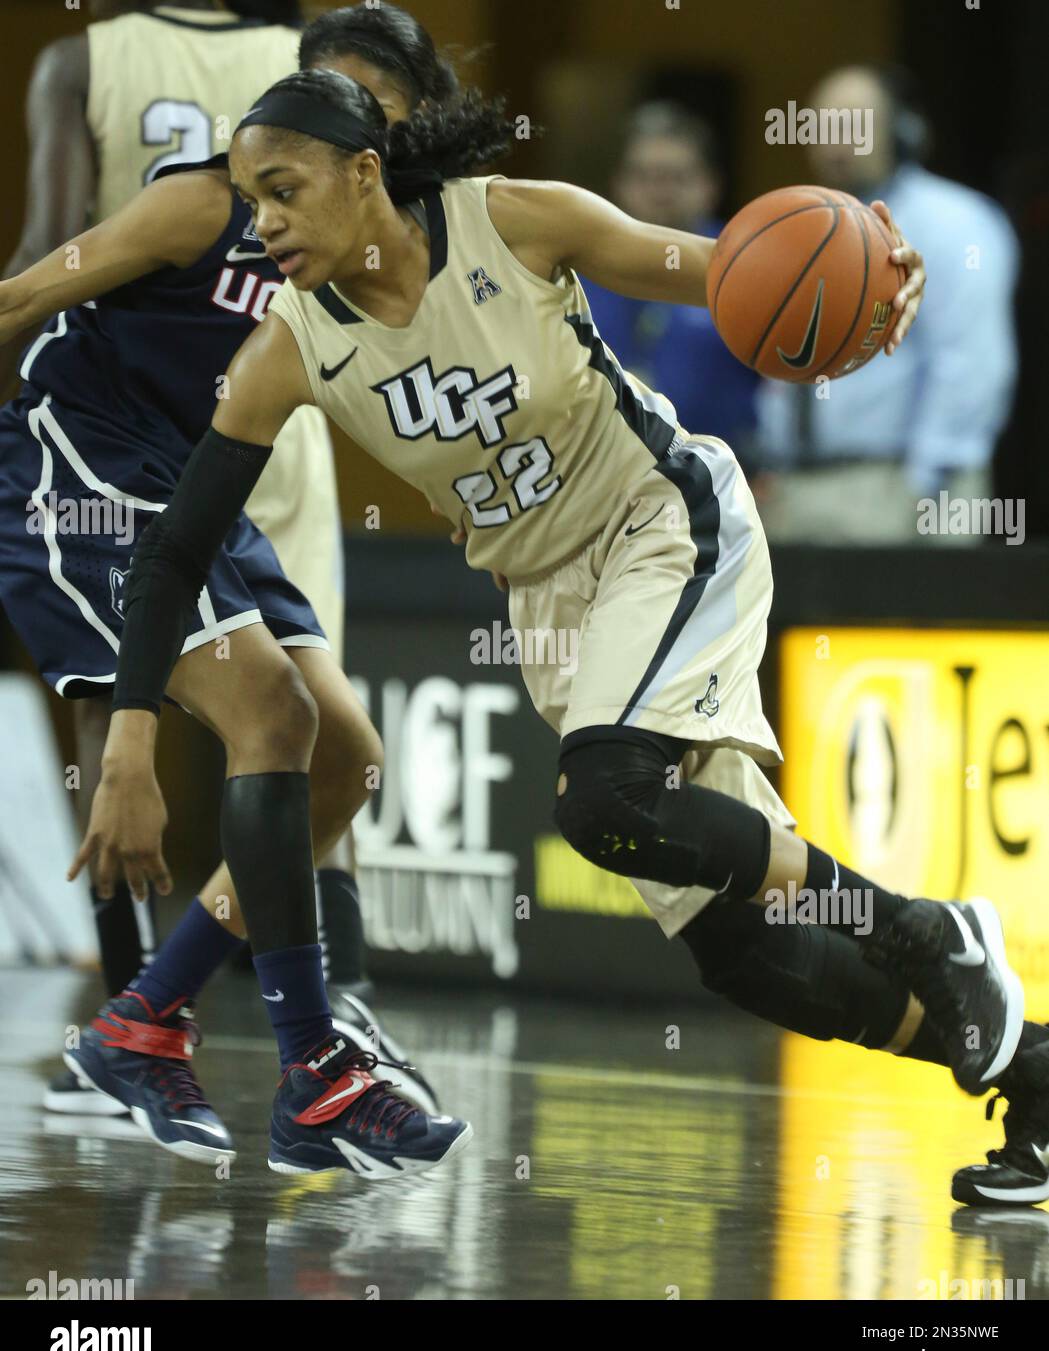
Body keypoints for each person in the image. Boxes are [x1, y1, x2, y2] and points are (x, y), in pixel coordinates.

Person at [64, 58, 1049, 1202]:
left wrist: (877, 274)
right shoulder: (289, 344)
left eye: (284, 190)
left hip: (659, 525)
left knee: (603, 799)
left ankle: (931, 932)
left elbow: (731, 269)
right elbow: (176, 549)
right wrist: (131, 739)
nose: (265, 223)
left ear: (363, 172)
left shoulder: (512, 221)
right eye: (251, 201)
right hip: (550, 605)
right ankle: (1033, 1075)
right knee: (751, 956)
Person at [0, 8, 473, 1164]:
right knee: (275, 714)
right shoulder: (203, 201)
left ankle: (141, 1019)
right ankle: (313, 1064)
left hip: (204, 483)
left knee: (345, 757)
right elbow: (20, 297)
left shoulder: (378, 246)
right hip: (84, 462)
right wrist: (125, 743)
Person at [754, 65, 1020, 545]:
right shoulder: (798, 223)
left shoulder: (955, 223)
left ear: (901, 133)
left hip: (904, 487)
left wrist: (926, 491)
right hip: (796, 491)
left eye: (853, 124)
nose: (836, 142)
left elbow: (970, 368)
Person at [578, 101, 759, 453]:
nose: (660, 191)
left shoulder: (747, 267)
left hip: (725, 481)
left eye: (676, 177)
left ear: (711, 185)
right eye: (644, 176)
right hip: (607, 478)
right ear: (618, 184)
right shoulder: (581, 268)